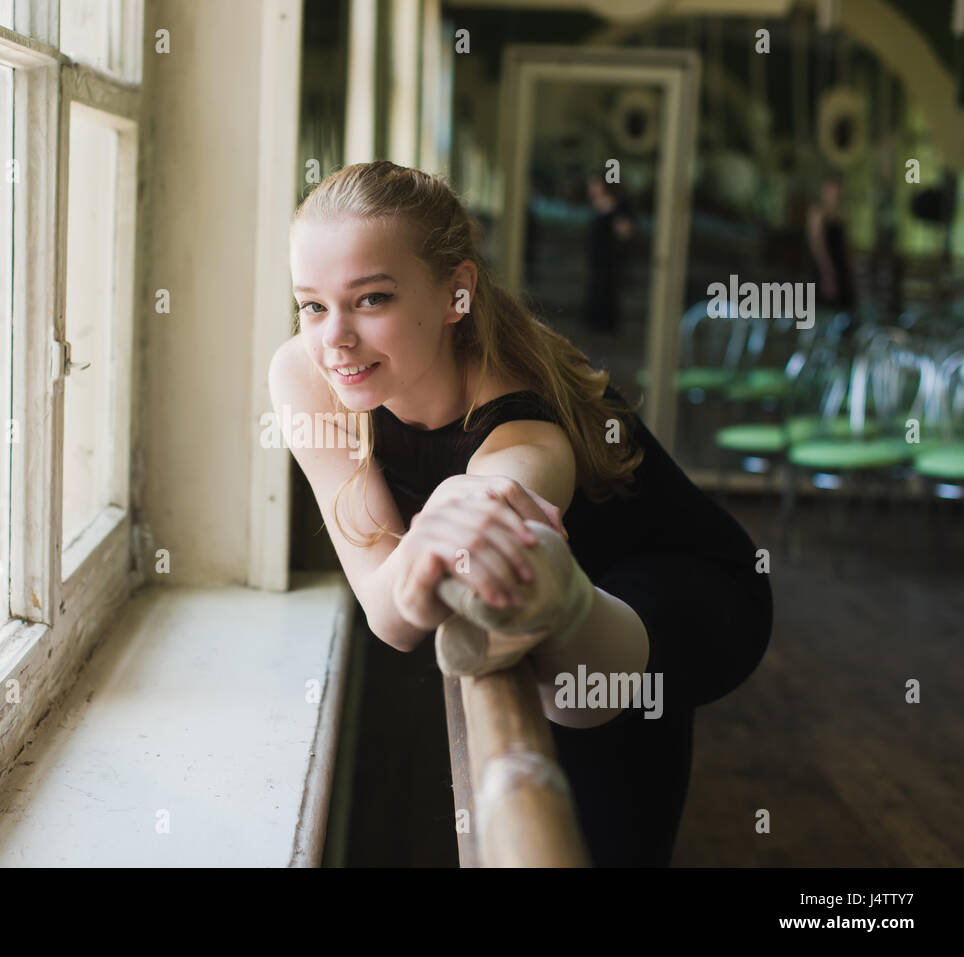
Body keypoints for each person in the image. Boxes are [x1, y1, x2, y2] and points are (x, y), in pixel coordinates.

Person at [270, 160, 773, 866]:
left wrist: (455, 540)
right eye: (313, 305)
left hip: (682, 589)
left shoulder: (523, 428)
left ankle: (564, 599)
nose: (335, 339)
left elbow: (489, 517)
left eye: (371, 299)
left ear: (457, 294)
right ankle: (555, 597)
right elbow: (389, 614)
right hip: (559, 588)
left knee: (572, 708)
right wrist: (420, 563)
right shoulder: (303, 373)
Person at [583, 175, 634, 339]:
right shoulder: (594, 206)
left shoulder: (617, 207)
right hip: (597, 257)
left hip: (611, 258)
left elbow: (625, 232)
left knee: (608, 289)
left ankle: (606, 324)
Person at [806, 174, 857, 315]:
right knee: (825, 306)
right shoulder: (817, 212)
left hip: (841, 265)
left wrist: (850, 266)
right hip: (825, 264)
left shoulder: (843, 213)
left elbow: (846, 244)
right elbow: (817, 244)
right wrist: (827, 271)